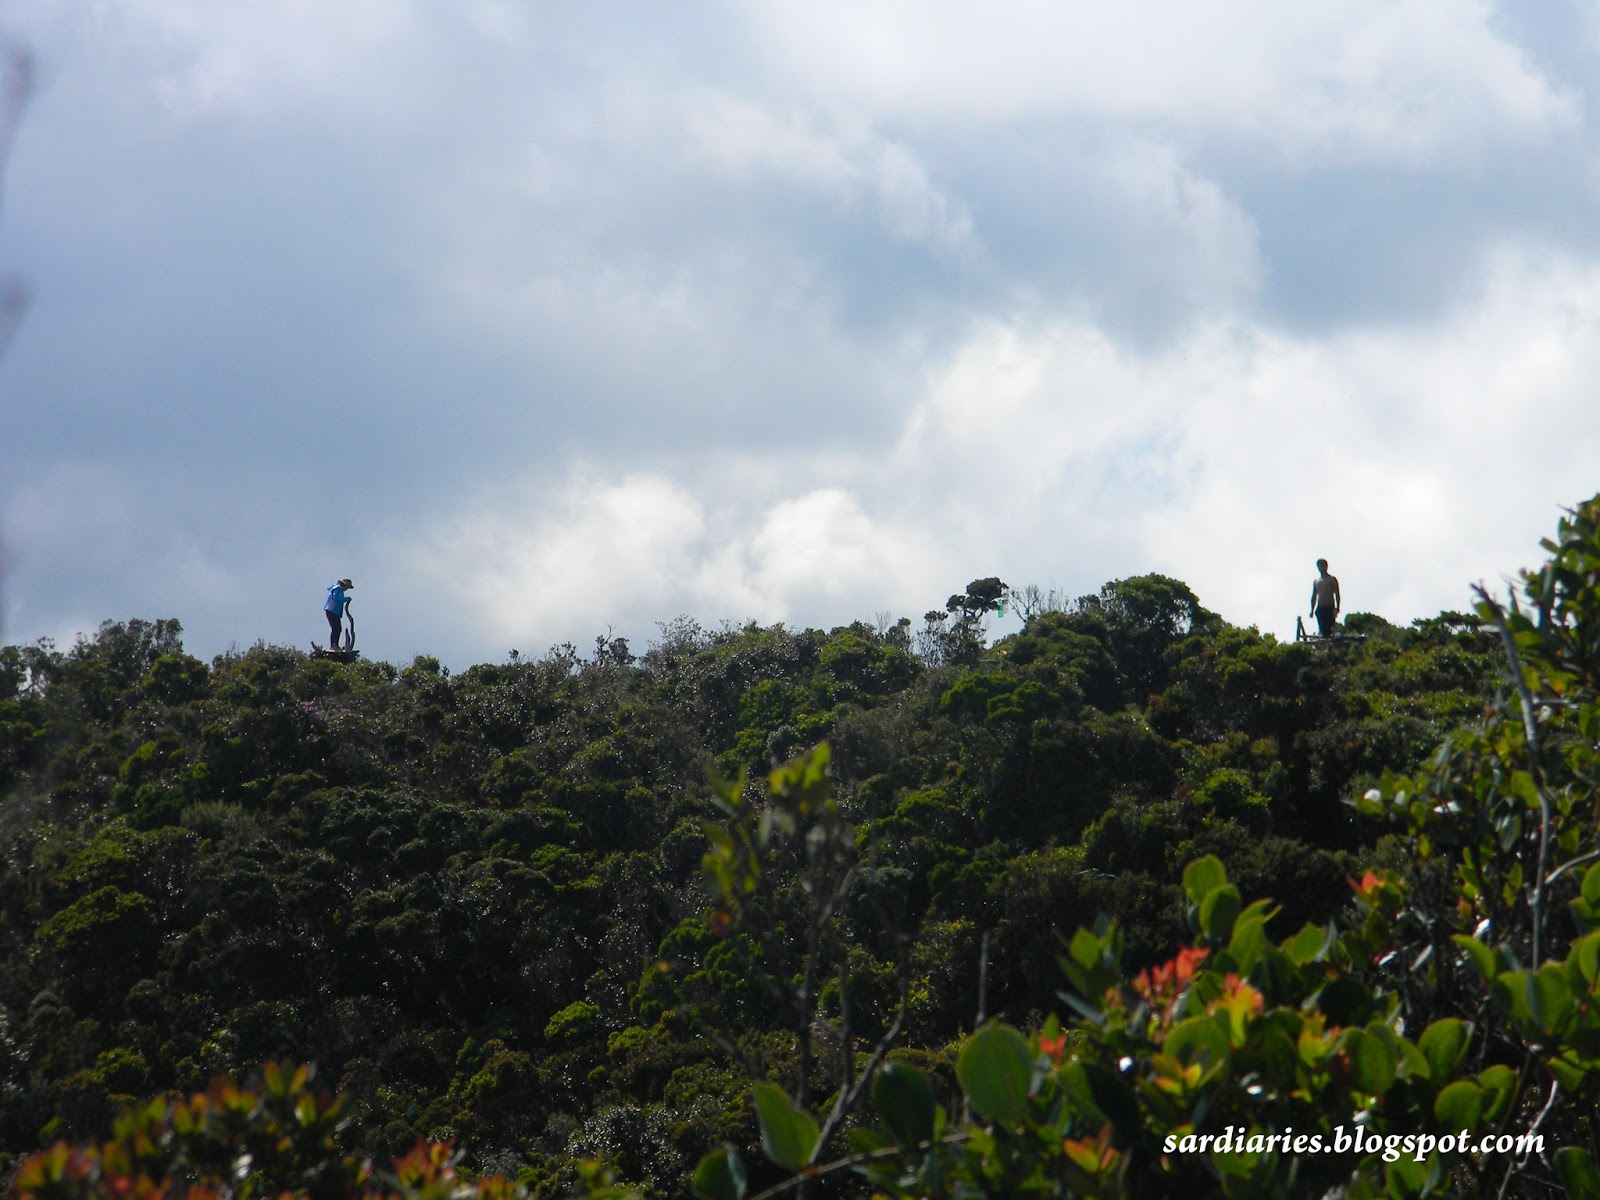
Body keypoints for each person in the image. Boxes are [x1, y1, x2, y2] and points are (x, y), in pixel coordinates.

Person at [1310, 559, 1340, 638]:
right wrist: (1312, 610)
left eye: (1322, 566)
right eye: (1319, 567)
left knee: (1330, 627)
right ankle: (1325, 640)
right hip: (1320, 607)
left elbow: (1337, 594)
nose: (1321, 568)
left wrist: (1337, 607)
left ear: (1326, 566)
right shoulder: (1316, 581)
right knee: (1323, 628)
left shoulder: (1331, 579)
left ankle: (1333, 639)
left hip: (1329, 606)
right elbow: (1314, 596)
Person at [325, 578, 353, 649]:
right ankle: (333, 645)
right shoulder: (337, 589)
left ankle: (335, 645)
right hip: (331, 611)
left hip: (335, 612)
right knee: (336, 629)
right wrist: (346, 599)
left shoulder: (339, 590)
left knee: (337, 629)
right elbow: (336, 598)